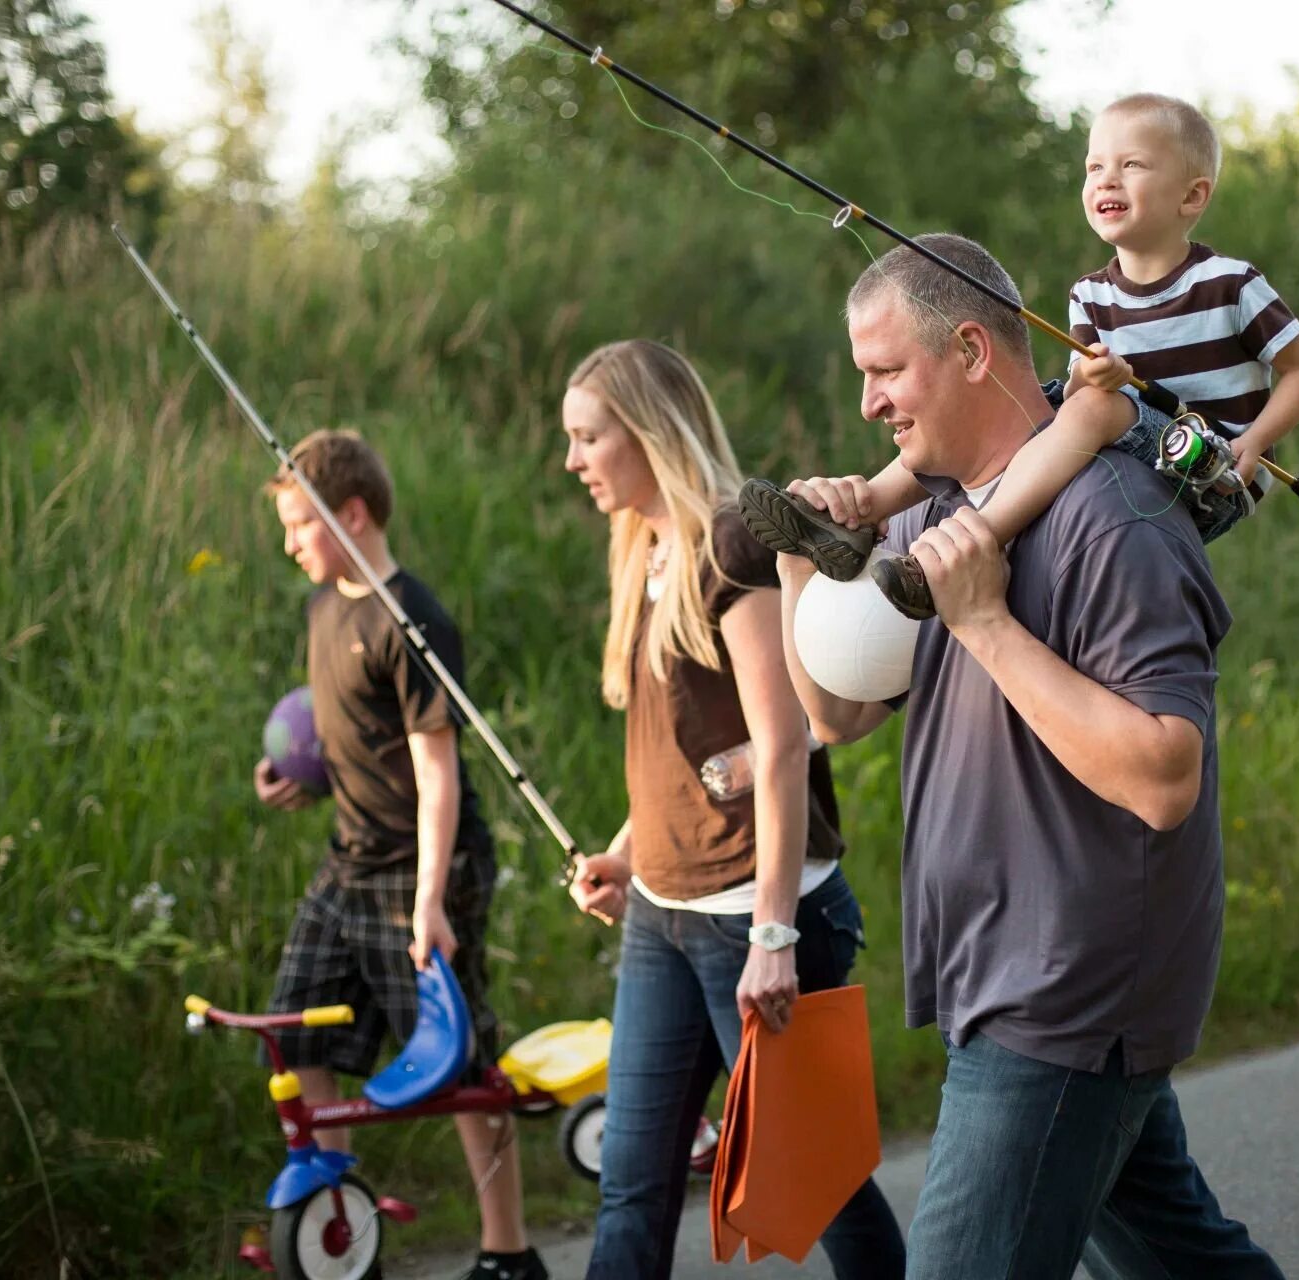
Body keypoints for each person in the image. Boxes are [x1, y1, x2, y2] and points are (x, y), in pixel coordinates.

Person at [773, 235, 1286, 1279]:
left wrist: (987, 625)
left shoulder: (1113, 516)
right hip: (996, 964)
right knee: (1178, 1260)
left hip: (1067, 988)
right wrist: (799, 567)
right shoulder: (934, 506)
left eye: (885, 370)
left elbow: (1164, 775)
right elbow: (839, 714)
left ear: (969, 349)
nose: (868, 403)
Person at [559, 340, 905, 1279]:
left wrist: (775, 935)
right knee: (630, 1184)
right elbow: (677, 754)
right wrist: (628, 854)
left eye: (589, 438)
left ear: (646, 431)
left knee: (821, 1184)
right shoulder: (642, 548)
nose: (574, 461)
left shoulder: (729, 540)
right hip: (663, 919)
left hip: (759, 919)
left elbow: (784, 739)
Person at [741, 91, 1299, 618]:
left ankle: (973, 540)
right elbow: (1070, 401)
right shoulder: (1089, 293)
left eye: (1132, 165)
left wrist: (1251, 443)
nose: (1107, 181)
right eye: (1095, 166)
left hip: (1212, 470)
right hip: (1138, 428)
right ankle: (861, 510)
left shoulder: (1231, 283)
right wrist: (1092, 379)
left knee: (1096, 409)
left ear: (1193, 195)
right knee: (1037, 397)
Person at [253, 429, 545, 1280]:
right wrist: (295, 781)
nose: (290, 543)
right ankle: (335, 1219)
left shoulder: (411, 619)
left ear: (351, 514)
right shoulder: (323, 607)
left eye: (301, 525)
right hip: (347, 862)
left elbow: (438, 776)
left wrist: (427, 904)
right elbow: (350, 741)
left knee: (451, 1058)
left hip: (425, 868)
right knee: (296, 1029)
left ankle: (506, 1252)